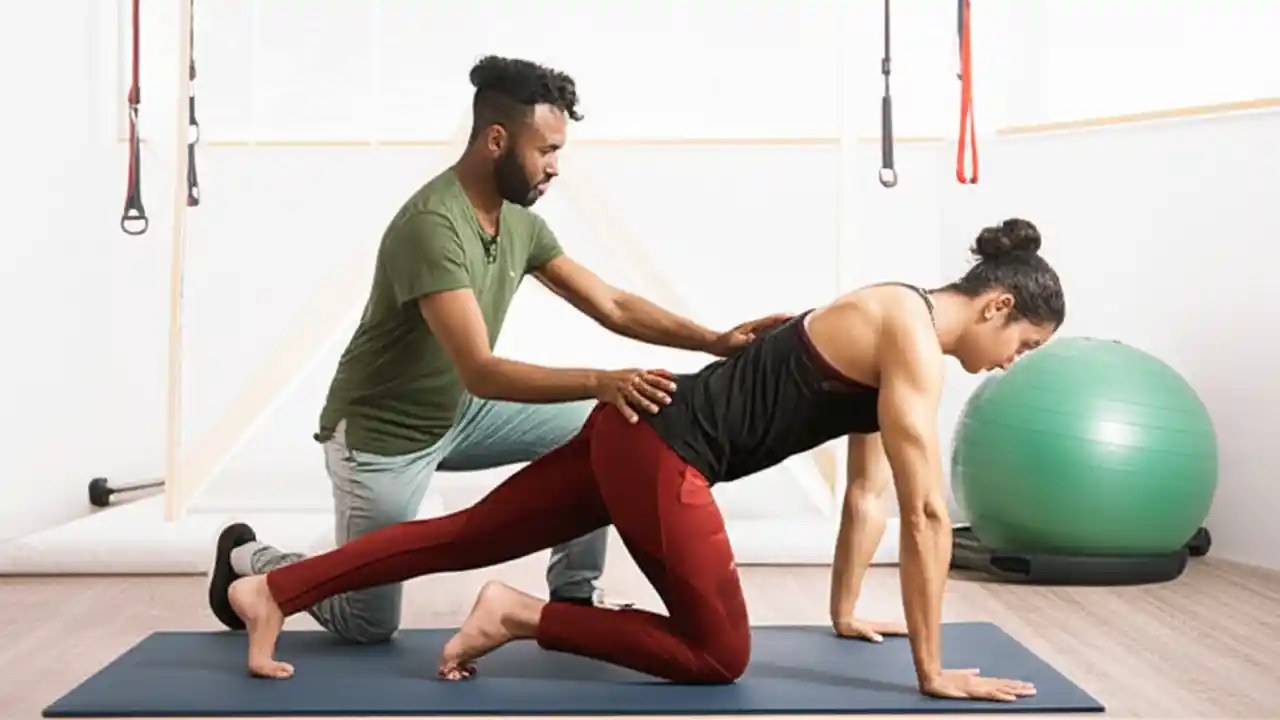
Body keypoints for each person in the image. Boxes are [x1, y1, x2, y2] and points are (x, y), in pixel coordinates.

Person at [219, 218, 1065, 704]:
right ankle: (518, 616)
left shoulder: (897, 323)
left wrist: (846, 613)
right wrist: (932, 672)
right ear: (996, 304)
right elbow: (925, 516)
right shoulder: (909, 334)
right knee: (718, 655)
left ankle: (272, 589)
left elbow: (871, 496)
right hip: (664, 453)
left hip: (634, 431)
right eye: (1022, 342)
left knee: (464, 532)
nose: (1012, 360)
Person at [206, 55, 789, 644]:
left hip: (457, 411)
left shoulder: (517, 221)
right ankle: (249, 558)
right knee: (366, 625)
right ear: (496, 140)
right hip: (382, 438)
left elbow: (610, 304)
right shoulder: (432, 226)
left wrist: (713, 341)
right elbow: (482, 370)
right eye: (547, 151)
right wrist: (598, 379)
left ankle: (575, 595)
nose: (555, 167)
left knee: (604, 432)